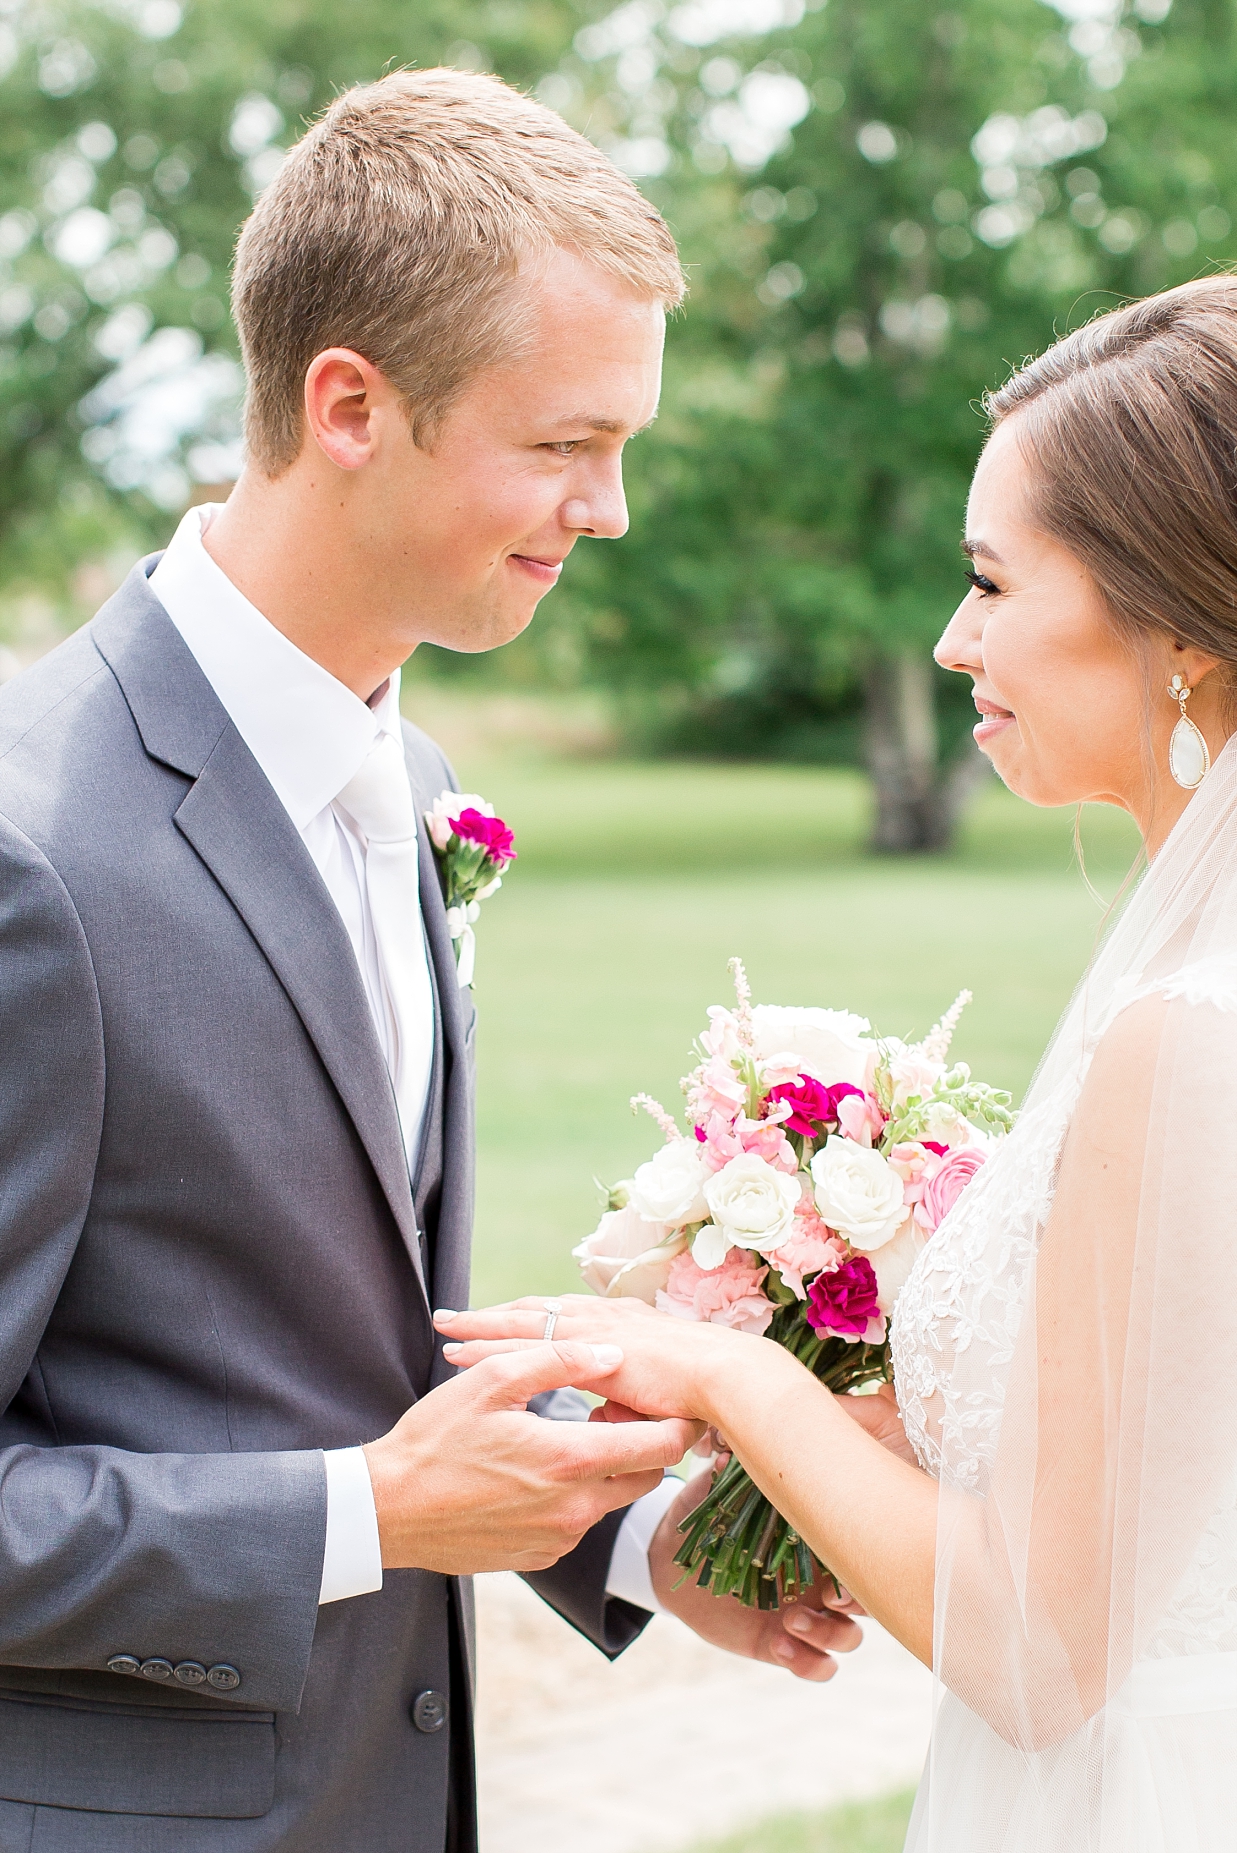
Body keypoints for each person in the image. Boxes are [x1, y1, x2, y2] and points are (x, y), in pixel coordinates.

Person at [0, 68, 857, 1853]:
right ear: (348, 406)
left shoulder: (421, 780)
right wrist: (365, 1516)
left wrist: (617, 1534)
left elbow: (337, 1336)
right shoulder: (32, 850)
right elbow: (360, 1474)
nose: (608, 508)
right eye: (564, 444)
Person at [439, 275, 1237, 1852]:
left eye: (992, 583)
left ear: (1177, 630)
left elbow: (1041, 1655)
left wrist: (725, 1365)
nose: (952, 641)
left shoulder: (1185, 1031)